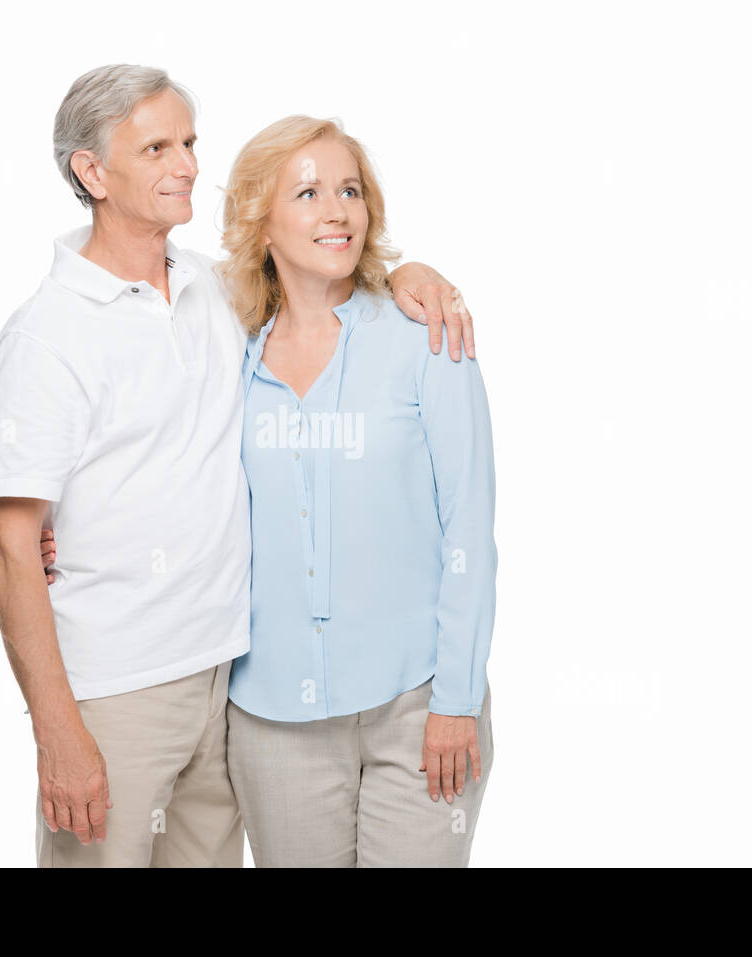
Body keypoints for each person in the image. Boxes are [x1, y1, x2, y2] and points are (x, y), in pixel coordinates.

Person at [0, 63, 472, 867]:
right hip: (115, 692)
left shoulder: (214, 293)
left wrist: (407, 273)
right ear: (92, 172)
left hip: (226, 684)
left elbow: (318, 277)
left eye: (190, 142)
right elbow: (8, 546)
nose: (188, 166)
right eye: (158, 148)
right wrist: (57, 729)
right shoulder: (48, 338)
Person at [218, 115, 496, 867]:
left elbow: (469, 528)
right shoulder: (225, 354)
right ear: (260, 220)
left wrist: (457, 700)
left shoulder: (426, 339)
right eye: (307, 193)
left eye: (350, 190)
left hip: (419, 709)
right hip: (272, 719)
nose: (336, 210)